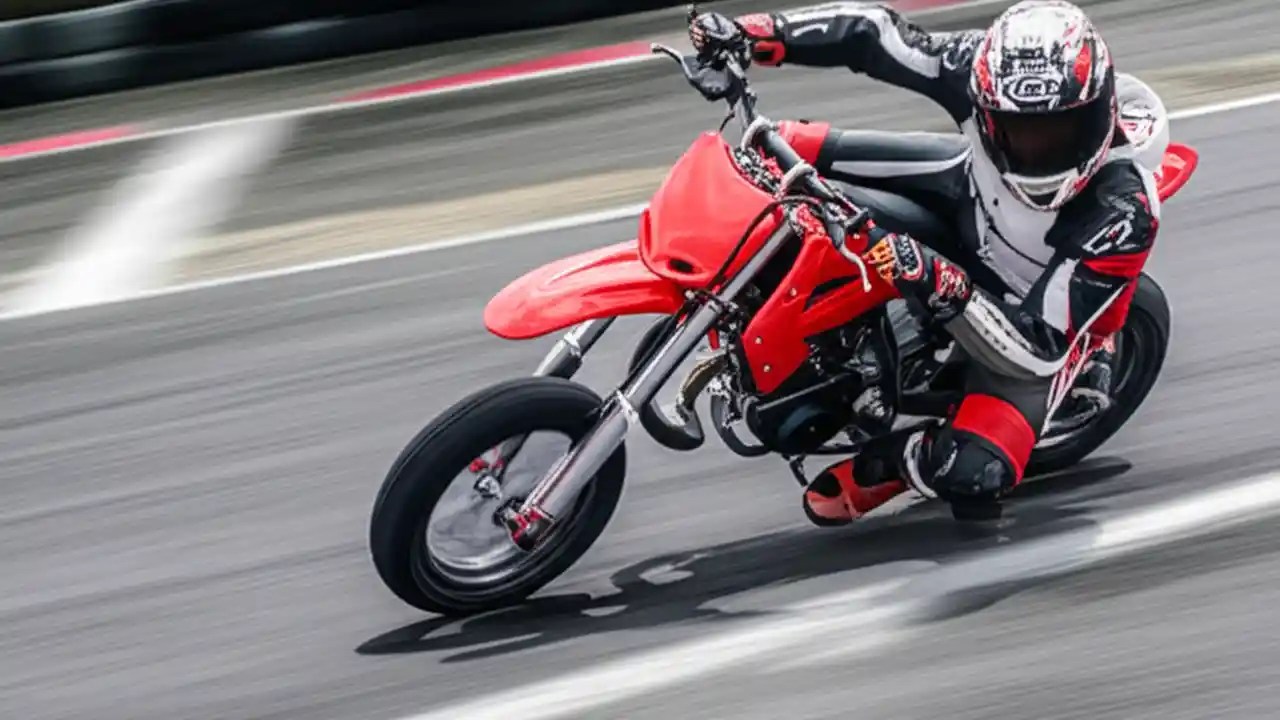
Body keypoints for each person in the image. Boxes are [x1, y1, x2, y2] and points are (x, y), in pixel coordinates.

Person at [689, 0, 1168, 522]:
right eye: (1017, 132)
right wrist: (755, 34)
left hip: (1039, 322)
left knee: (973, 474)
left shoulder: (1125, 209)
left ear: (1099, 116)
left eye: (1059, 133)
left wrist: (942, 283)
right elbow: (872, 35)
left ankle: (901, 462)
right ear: (986, 111)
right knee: (780, 150)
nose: (1037, 151)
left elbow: (1038, 348)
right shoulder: (973, 69)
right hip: (973, 197)